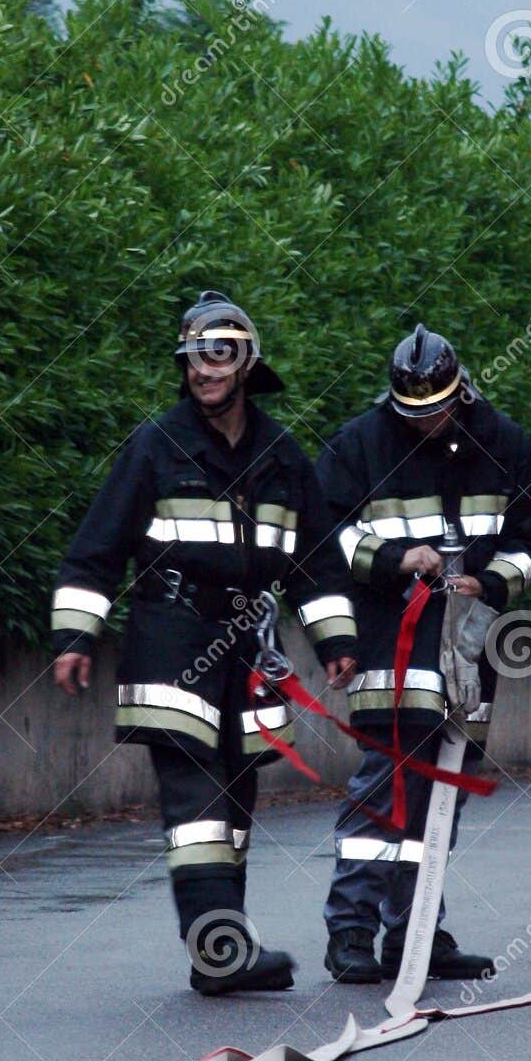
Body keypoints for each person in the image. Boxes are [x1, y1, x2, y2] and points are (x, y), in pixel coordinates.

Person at [51, 291, 357, 993]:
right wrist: (76, 634)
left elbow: (316, 560)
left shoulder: (282, 456)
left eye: (218, 355)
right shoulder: (154, 446)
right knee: (197, 806)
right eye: (192, 357)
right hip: (172, 642)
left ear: (246, 363)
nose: (203, 369)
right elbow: (94, 551)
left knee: (237, 803)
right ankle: (223, 957)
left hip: (248, 647)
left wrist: (336, 637)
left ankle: (221, 945)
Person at [320, 324, 531, 983]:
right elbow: (322, 534)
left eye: (437, 410)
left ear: (462, 392)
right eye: (411, 413)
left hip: (467, 649)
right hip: (391, 640)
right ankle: (352, 931)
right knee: (385, 784)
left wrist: (494, 581)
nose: (424, 422)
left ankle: (417, 931)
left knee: (442, 790)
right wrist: (395, 560)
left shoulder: (502, 442)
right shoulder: (359, 444)